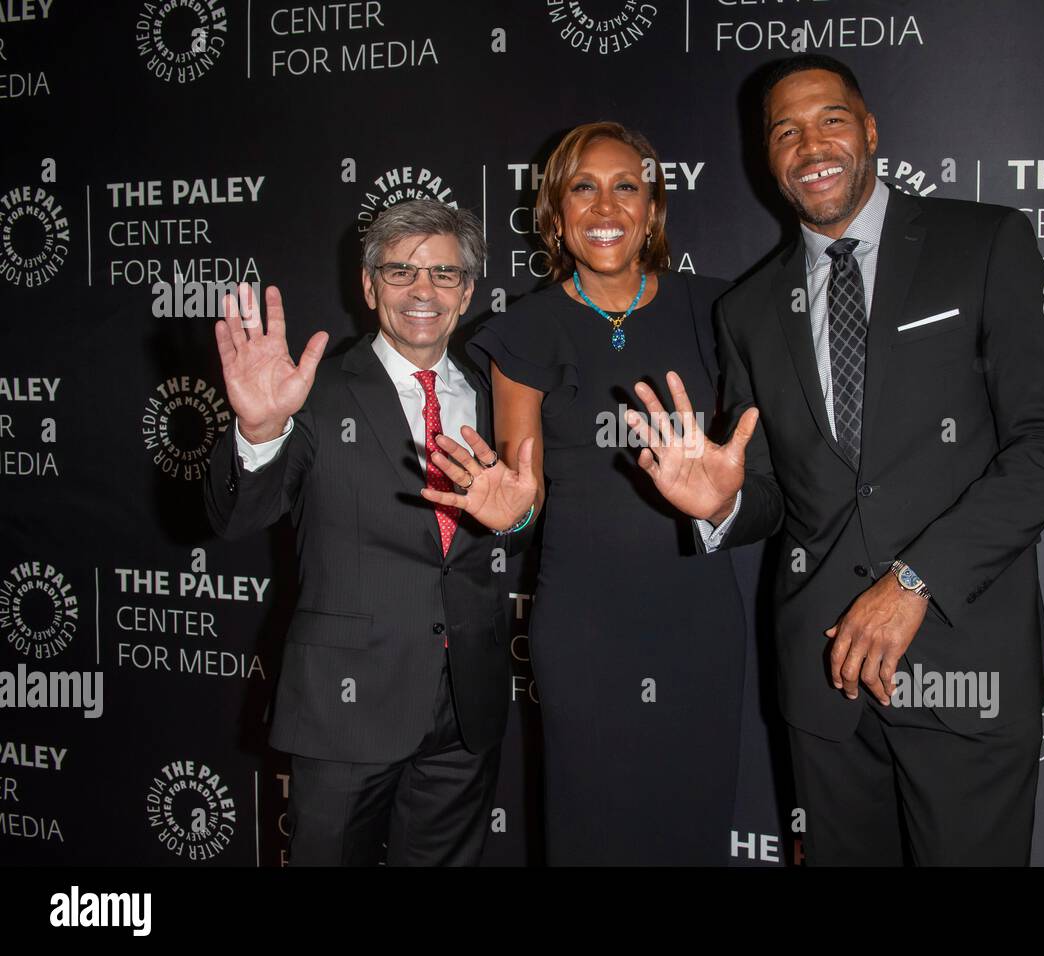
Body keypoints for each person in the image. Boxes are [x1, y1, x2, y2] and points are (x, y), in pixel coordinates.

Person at [625, 54, 1044, 865]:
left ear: (870, 129)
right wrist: (723, 505)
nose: (811, 145)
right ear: (763, 156)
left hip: (964, 669)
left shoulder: (983, 244)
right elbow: (772, 492)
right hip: (823, 683)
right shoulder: (747, 309)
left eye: (830, 119)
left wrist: (915, 580)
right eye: (785, 131)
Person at [423, 122, 748, 865]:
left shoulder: (719, 310)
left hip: (697, 618)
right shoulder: (525, 331)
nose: (606, 205)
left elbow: (751, 474)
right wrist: (512, 514)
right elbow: (522, 489)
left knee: (691, 827)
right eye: (583, 187)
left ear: (653, 209)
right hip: (586, 629)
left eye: (626, 185)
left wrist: (727, 495)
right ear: (556, 213)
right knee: (591, 829)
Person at [203, 200, 532, 865]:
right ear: (368, 285)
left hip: (466, 707)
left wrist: (518, 518)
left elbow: (515, 528)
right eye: (400, 271)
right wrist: (261, 432)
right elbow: (236, 516)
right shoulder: (313, 392)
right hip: (344, 710)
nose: (423, 291)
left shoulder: (498, 398)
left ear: (467, 291)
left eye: (444, 273)